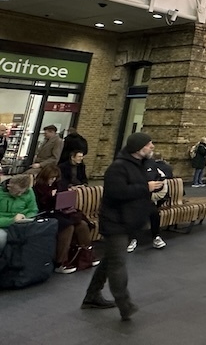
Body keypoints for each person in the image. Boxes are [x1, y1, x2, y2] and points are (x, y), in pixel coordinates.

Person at [82, 132, 164, 320]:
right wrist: (146, 187)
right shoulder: (118, 167)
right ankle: (125, 305)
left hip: (128, 221)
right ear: (138, 148)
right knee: (118, 263)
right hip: (115, 222)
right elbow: (117, 192)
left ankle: (92, 296)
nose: (152, 146)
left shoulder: (140, 165)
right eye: (149, 144)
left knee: (110, 260)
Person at [32, 163, 97, 273]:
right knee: (68, 227)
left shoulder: (58, 185)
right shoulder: (37, 188)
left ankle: (87, 256)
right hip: (47, 214)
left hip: (60, 212)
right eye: (51, 178)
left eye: (55, 178)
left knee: (82, 225)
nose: (53, 180)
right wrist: (51, 197)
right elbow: (40, 206)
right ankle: (61, 262)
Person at [128, 153, 170, 253]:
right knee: (134, 212)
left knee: (154, 212)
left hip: (145, 198)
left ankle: (156, 237)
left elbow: (160, 180)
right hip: (130, 198)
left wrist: (155, 188)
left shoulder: (152, 164)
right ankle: (132, 239)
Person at [0, 173, 38, 252]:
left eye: (22, 192)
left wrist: (26, 217)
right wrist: (12, 220)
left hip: (22, 225)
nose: (20, 195)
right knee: (1, 238)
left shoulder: (29, 191)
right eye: (17, 192)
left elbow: (33, 210)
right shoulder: (1, 193)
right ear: (9, 187)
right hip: (3, 225)